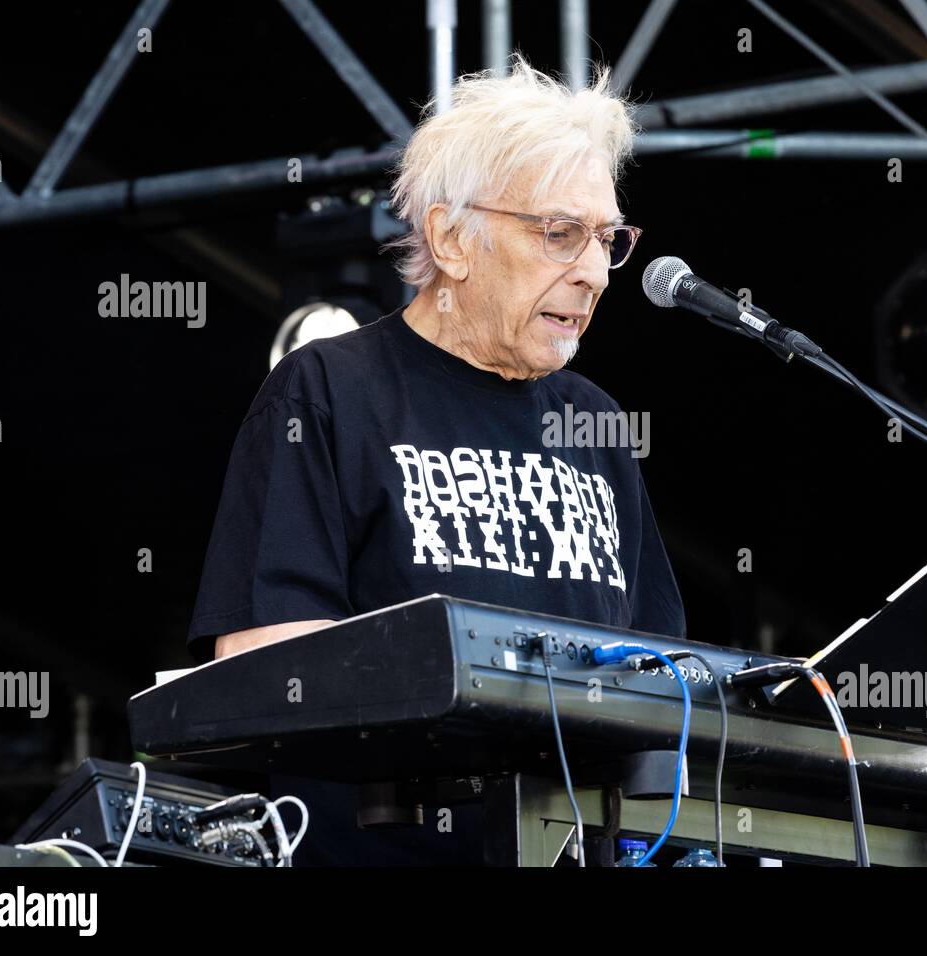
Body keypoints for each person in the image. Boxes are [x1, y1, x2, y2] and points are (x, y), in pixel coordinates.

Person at [184, 55, 687, 864]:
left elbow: (665, 683)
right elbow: (264, 666)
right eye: (560, 233)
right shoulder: (327, 392)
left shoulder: (595, 422)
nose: (594, 272)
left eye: (607, 239)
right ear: (453, 238)